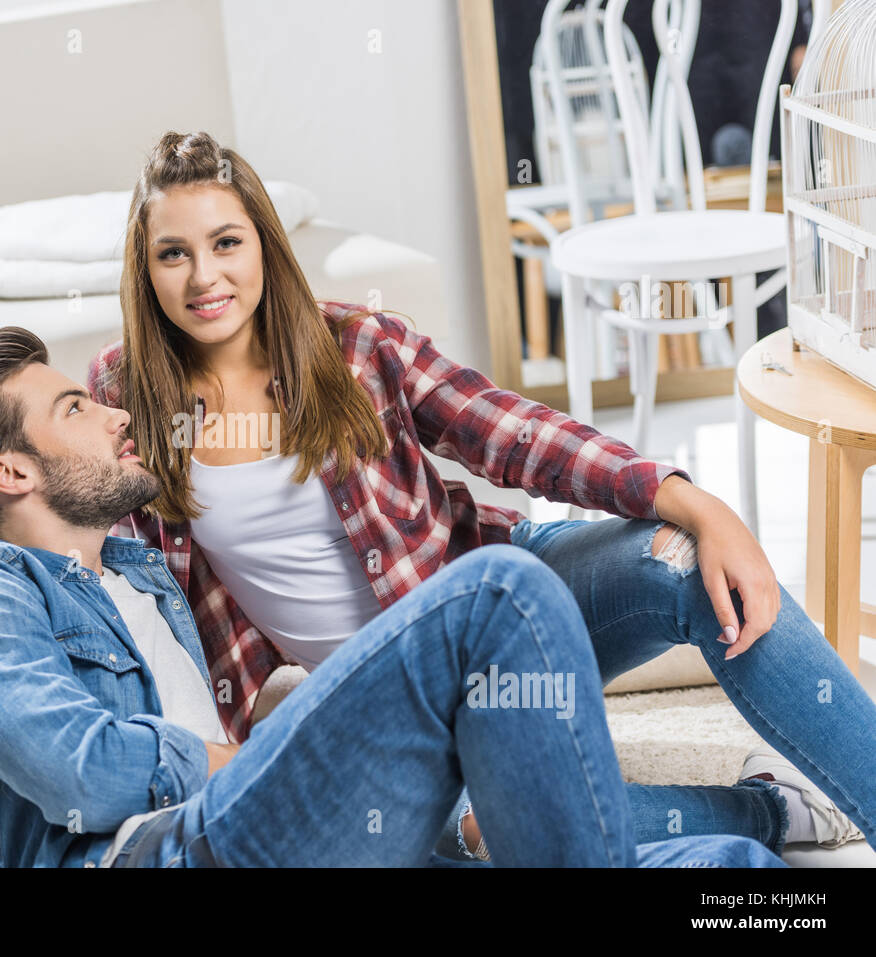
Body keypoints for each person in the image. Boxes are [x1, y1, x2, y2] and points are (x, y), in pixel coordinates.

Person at [84, 130, 873, 862]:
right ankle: (773, 811)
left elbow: (516, 435)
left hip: (506, 603)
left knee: (686, 560)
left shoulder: (359, 346)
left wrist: (695, 503)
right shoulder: (125, 394)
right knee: (474, 829)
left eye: (226, 243)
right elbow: (131, 596)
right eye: (173, 254)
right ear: (144, 269)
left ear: (263, 243)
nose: (204, 276)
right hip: (394, 704)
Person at [0, 325, 785, 868]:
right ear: (10, 469)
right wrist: (236, 761)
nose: (117, 415)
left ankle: (759, 819)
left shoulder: (140, 570)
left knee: (732, 867)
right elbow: (78, 775)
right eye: (75, 411)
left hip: (260, 838)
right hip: (162, 851)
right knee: (497, 596)